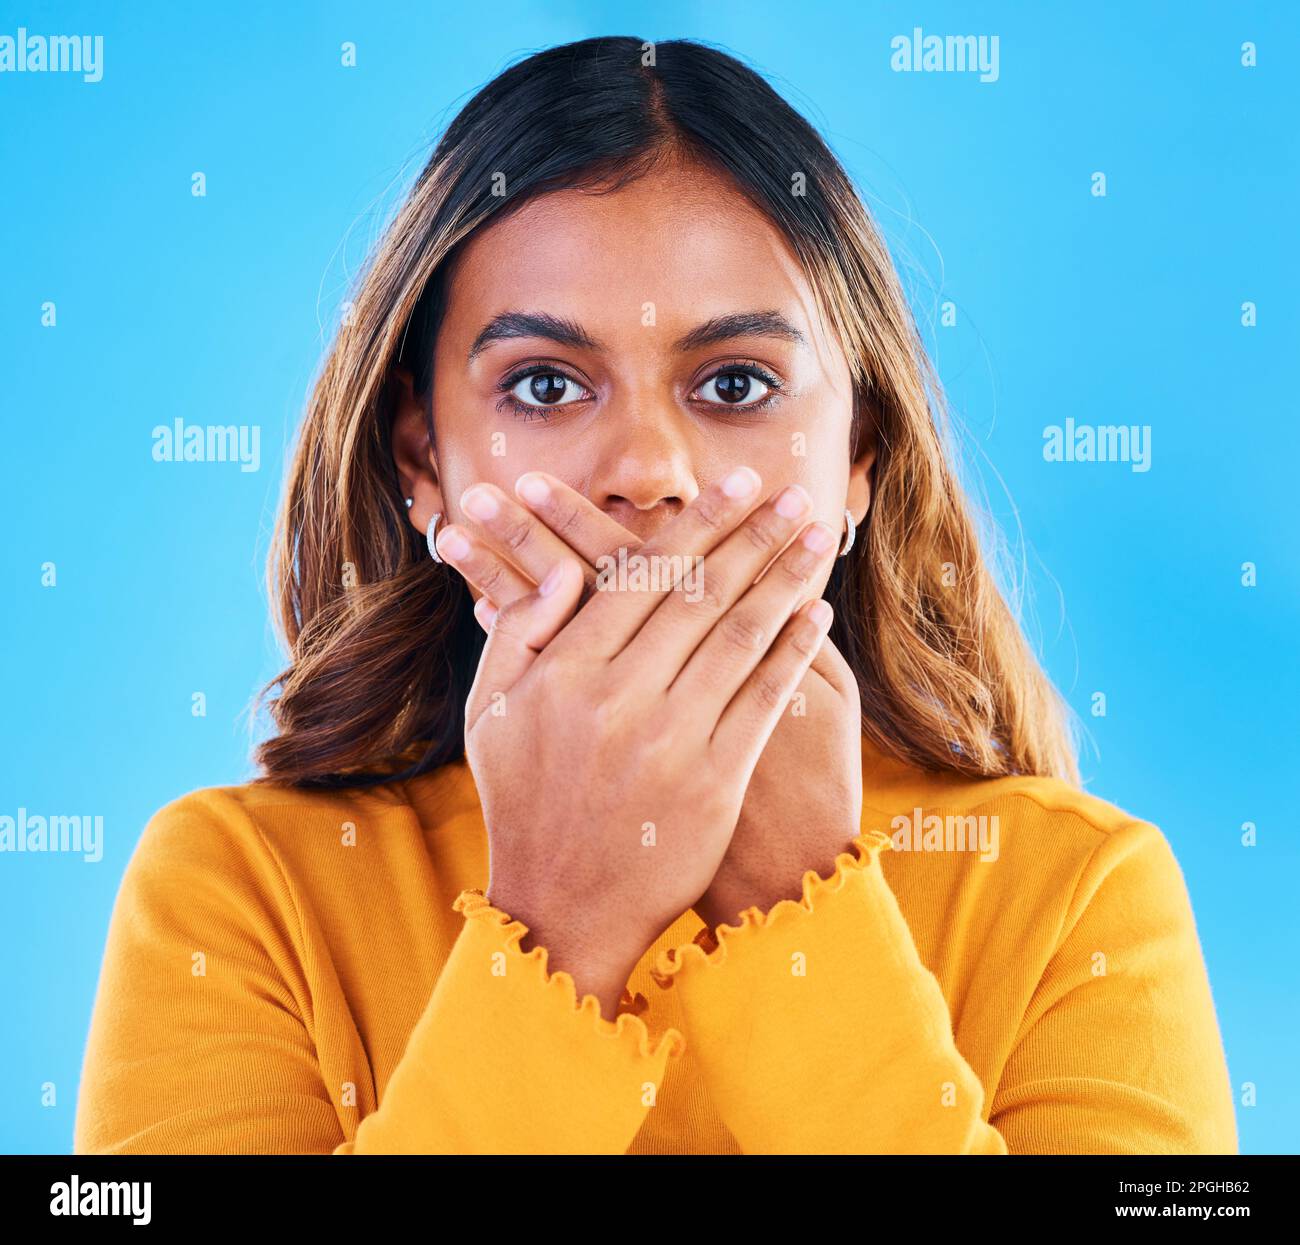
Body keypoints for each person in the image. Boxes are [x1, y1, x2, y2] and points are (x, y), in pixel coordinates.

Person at [74, 36, 1237, 1155]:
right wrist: (553, 929)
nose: (647, 472)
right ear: (424, 461)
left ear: (856, 463)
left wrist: (798, 905)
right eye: (542, 384)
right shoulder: (240, 894)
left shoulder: (1076, 897)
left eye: (734, 384)